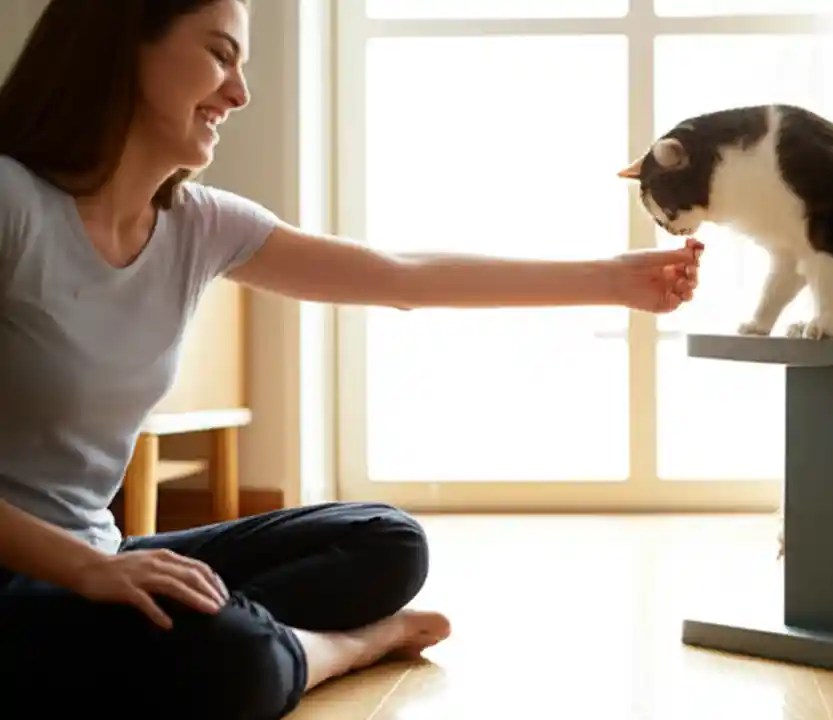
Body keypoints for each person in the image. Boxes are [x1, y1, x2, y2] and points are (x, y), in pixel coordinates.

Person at [0, 1, 701, 717]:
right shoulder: (12, 202)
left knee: (389, 542)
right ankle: (331, 649)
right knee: (233, 663)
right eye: (219, 55)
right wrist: (85, 571)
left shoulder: (199, 225)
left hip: (102, 563)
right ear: (125, 45)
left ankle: (223, 646)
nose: (239, 93)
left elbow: (400, 275)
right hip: (22, 576)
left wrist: (612, 280)